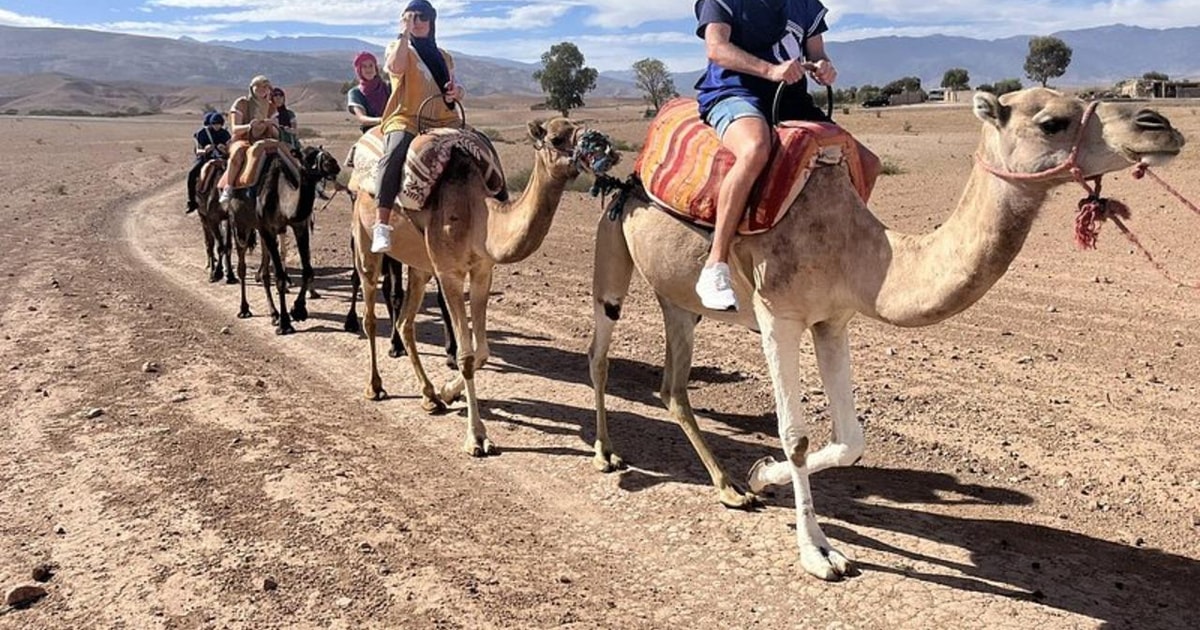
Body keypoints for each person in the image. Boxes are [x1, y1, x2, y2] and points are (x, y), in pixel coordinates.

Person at [692, 0, 879, 311]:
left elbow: (816, 53)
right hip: (735, 92)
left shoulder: (805, 5)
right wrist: (770, 70)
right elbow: (716, 48)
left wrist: (823, 68)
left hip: (791, 99)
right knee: (755, 150)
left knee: (868, 163)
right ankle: (716, 265)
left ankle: (843, 250)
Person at [370, 0, 464, 253]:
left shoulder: (444, 56)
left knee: (480, 146)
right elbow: (396, 68)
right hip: (407, 117)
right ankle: (381, 224)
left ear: (432, 21)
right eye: (412, 17)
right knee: (394, 153)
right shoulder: (399, 48)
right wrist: (403, 33)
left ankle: (498, 205)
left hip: (444, 118)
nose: (418, 21)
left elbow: (456, 88)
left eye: (423, 17)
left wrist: (457, 92)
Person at [219, 75, 279, 204]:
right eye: (260, 86)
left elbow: (276, 132)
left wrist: (270, 125)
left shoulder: (271, 107)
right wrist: (250, 126)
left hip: (265, 139)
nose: (263, 89)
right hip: (244, 139)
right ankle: (228, 187)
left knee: (286, 152)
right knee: (239, 151)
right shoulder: (242, 103)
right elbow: (235, 129)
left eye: (266, 87)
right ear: (252, 87)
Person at [185, 111, 231, 214]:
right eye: (215, 123)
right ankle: (192, 201)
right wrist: (206, 150)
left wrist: (224, 150)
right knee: (192, 174)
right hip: (205, 159)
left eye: (219, 124)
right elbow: (198, 151)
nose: (217, 126)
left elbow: (230, 149)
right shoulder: (202, 134)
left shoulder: (225, 134)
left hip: (222, 159)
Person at [347, 51, 392, 133]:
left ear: (376, 68)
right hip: (371, 131)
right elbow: (362, 118)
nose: (368, 69)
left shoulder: (388, 86)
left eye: (371, 65)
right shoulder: (355, 93)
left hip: (394, 126)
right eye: (364, 66)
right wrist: (382, 120)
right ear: (359, 70)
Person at [272, 87, 301, 152]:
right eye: (275, 95)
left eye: (281, 95)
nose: (278, 98)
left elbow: (295, 130)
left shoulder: (290, 114)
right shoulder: (268, 114)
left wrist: (287, 129)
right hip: (272, 144)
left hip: (289, 145)